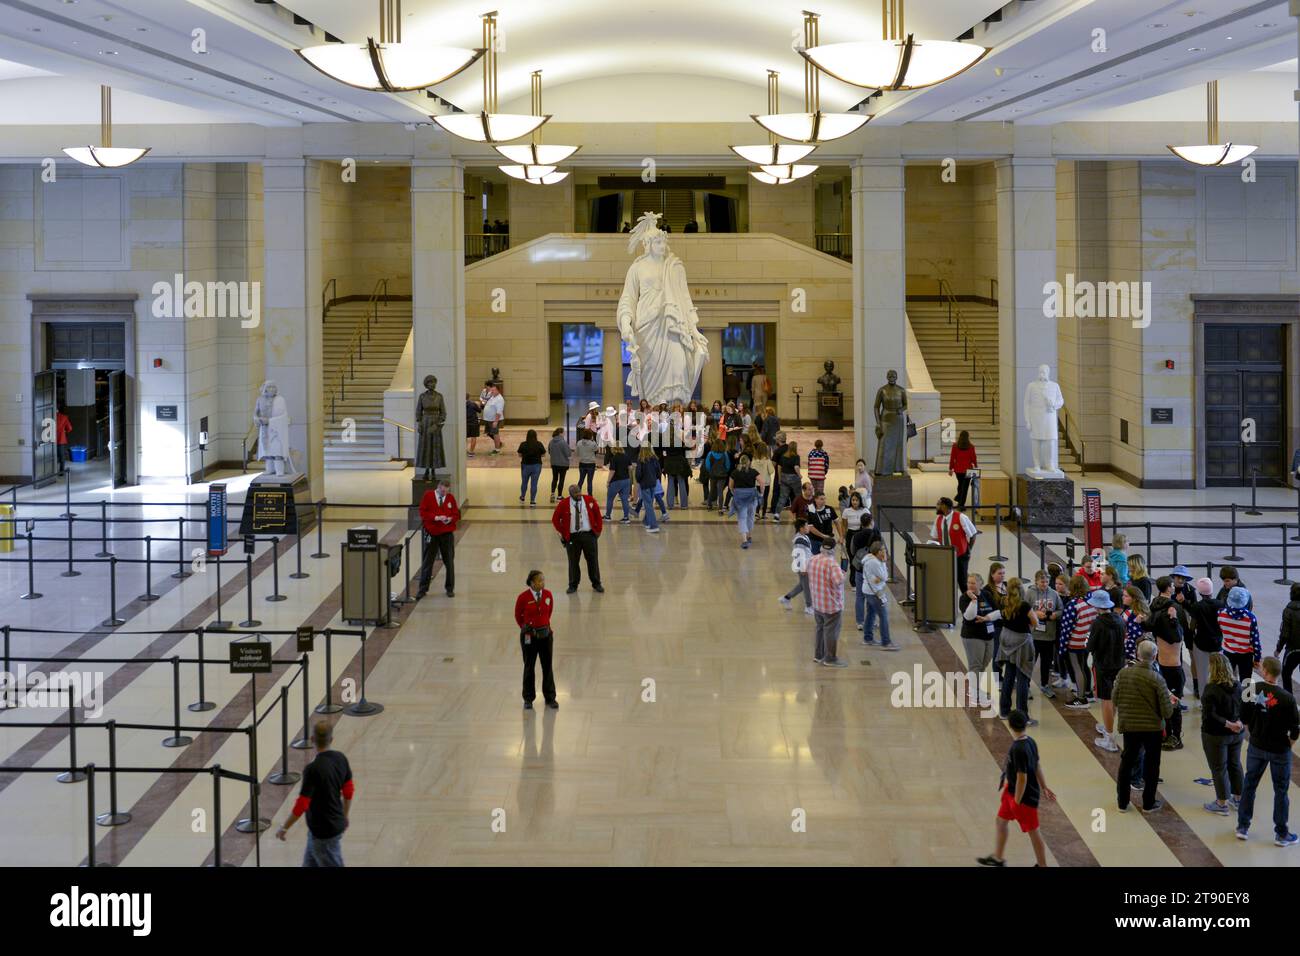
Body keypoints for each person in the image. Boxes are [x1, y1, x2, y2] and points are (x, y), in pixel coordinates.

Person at [976, 709, 1054, 868]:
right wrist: (1044, 786)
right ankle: (998, 858)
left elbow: (1022, 777)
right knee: (1000, 821)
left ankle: (1043, 865)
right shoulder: (1030, 741)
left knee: (1034, 832)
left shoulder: (1019, 748)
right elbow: (1037, 765)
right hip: (1010, 792)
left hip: (1023, 798)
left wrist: (1017, 801)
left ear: (1010, 725)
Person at [1236, 656, 1300, 845]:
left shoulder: (1252, 689)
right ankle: (1281, 834)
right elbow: (1296, 729)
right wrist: (1289, 744)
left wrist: (1254, 733)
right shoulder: (1288, 698)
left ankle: (1242, 826)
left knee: (1250, 785)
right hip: (1280, 749)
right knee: (1281, 791)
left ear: (1264, 671)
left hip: (1256, 746)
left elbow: (1244, 717)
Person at [276, 720, 354, 866]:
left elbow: (302, 805)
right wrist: (345, 816)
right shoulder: (340, 758)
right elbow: (348, 791)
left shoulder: (312, 769)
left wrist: (284, 827)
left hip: (324, 833)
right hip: (324, 828)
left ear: (312, 740)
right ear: (331, 740)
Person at [1114, 641, 1175, 814]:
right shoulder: (1157, 679)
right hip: (1152, 729)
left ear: (1137, 654)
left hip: (1130, 726)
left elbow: (1115, 698)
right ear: (1155, 656)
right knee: (1152, 765)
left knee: (1127, 762)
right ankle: (1148, 803)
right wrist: (1171, 704)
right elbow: (1166, 711)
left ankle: (1122, 803)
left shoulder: (1123, 673)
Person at [1200, 652, 1244, 816]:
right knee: (1235, 764)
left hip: (1216, 735)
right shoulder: (1238, 685)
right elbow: (1243, 707)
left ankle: (1222, 803)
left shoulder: (1211, 689)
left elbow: (1210, 715)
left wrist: (1228, 724)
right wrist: (1238, 722)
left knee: (1219, 768)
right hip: (1237, 734)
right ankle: (1238, 798)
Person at [1149, 575, 1189, 750]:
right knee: (1175, 703)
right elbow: (1177, 636)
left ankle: (1165, 732)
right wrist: (1174, 621)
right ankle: (1175, 736)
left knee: (1162, 700)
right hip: (1173, 666)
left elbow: (1148, 625)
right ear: (1169, 588)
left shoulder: (1154, 606)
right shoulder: (1173, 610)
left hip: (1160, 662)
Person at [1087, 589, 1126, 753]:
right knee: (1114, 697)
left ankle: (1109, 737)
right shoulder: (1119, 619)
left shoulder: (1098, 623)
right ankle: (1108, 725)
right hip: (1118, 663)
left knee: (1106, 700)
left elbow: (1091, 646)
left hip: (1103, 665)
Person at [514, 570, 558, 710]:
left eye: (543, 580)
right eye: (539, 581)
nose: (542, 583)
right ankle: (528, 698)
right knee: (529, 667)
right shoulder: (523, 597)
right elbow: (517, 615)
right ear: (532, 583)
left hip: (546, 636)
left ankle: (550, 698)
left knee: (547, 666)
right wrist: (525, 627)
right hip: (529, 638)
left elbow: (549, 611)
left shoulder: (548, 595)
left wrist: (543, 624)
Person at [997, 578, 1039, 722]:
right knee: (1023, 677)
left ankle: (1004, 710)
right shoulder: (1025, 605)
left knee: (1009, 675)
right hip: (1022, 642)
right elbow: (1035, 622)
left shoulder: (1003, 601)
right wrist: (1030, 629)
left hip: (1007, 639)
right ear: (1022, 589)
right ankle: (1022, 715)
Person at [551, 484, 603, 594]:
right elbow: (555, 519)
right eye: (575, 493)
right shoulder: (564, 504)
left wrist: (597, 531)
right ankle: (573, 584)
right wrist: (564, 532)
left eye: (579, 492)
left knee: (593, 560)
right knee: (573, 562)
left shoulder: (589, 500)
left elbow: (598, 515)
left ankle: (596, 583)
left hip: (589, 535)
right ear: (570, 494)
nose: (579, 494)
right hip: (572, 537)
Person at [415, 478, 459, 599]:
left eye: (447, 492)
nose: (445, 494)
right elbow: (423, 512)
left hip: (446, 534)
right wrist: (436, 517)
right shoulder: (428, 496)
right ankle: (423, 589)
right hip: (432, 533)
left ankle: (449, 588)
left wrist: (450, 519)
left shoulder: (450, 498)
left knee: (449, 562)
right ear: (439, 487)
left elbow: (456, 513)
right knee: (427, 562)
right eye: (443, 491)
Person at [1058, 575, 1097, 708]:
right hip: (1087, 639)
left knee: (1077, 668)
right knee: (1084, 666)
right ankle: (1088, 693)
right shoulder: (1091, 600)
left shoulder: (1073, 605)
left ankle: (1081, 699)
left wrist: (1062, 647)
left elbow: (1066, 628)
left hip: (1075, 642)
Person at [960, 573, 997, 709]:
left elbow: (997, 611)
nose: (970, 585)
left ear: (980, 584)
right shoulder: (964, 598)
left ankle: (974, 688)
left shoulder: (987, 594)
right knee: (975, 665)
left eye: (973, 583)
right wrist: (974, 601)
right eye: (969, 583)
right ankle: (975, 695)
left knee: (984, 663)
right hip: (972, 636)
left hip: (988, 635)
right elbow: (969, 617)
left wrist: (987, 618)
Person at [1026, 570, 1063, 699]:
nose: (1045, 584)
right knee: (1030, 662)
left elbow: (1060, 609)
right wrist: (1035, 614)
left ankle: (1045, 685)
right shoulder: (1030, 593)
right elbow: (1024, 610)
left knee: (1046, 663)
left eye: (1047, 581)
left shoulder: (1053, 594)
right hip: (1034, 635)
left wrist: (1054, 615)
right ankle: (1026, 686)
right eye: (1042, 581)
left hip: (1049, 634)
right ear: (1036, 581)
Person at [808, 545, 847, 667]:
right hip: (831, 605)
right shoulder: (832, 564)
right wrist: (843, 572)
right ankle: (830, 658)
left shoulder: (812, 559)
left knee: (820, 628)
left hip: (817, 602)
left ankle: (818, 655)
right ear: (833, 550)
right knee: (831, 631)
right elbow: (838, 581)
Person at [931, 497, 977, 594]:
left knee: (962, 582)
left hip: (960, 555)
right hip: (945, 556)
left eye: (938, 504)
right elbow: (934, 537)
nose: (937, 506)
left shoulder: (961, 517)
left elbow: (973, 534)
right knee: (948, 582)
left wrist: (968, 550)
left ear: (944, 506)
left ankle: (967, 604)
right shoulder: (938, 519)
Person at [1188, 577, 1223, 699]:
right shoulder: (1220, 604)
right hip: (1217, 643)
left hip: (1201, 643)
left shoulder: (1197, 606)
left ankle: (1204, 700)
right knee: (1218, 672)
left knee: (1202, 674)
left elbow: (1192, 626)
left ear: (1199, 592)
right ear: (1211, 591)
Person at [1219, 586, 1261, 684]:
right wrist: (1257, 657)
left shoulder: (1221, 614)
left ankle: (1230, 698)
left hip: (1228, 651)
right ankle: (1247, 698)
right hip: (1246, 654)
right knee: (1246, 681)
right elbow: (1255, 640)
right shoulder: (1250, 618)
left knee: (1227, 679)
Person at [860, 540, 896, 650]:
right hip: (875, 592)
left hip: (868, 590)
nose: (885, 551)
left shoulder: (870, 558)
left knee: (871, 614)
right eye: (883, 550)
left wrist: (879, 578)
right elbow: (885, 577)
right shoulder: (875, 562)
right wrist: (884, 562)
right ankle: (886, 642)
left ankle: (868, 638)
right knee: (883, 616)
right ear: (878, 551)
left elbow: (880, 577)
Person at [779, 518, 813, 615]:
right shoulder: (799, 540)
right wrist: (803, 568)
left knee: (803, 585)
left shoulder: (804, 537)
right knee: (807, 586)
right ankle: (808, 606)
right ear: (801, 528)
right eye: (806, 526)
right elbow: (799, 554)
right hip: (803, 566)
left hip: (806, 565)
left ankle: (786, 598)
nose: (808, 527)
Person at [729, 453, 762, 549]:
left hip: (740, 497)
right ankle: (749, 536)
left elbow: (730, 485)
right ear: (749, 462)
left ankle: (744, 541)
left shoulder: (735, 472)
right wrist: (762, 493)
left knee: (742, 518)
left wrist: (733, 492)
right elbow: (762, 482)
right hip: (752, 496)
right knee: (751, 516)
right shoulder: (753, 471)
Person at [632, 445, 663, 533]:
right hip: (653, 483)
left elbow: (638, 474)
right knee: (650, 503)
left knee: (648, 505)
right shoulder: (654, 458)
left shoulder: (641, 460)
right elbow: (658, 472)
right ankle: (647, 522)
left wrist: (639, 481)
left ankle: (654, 526)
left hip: (645, 484)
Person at [1277, 583, 1300, 693]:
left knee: (1286, 674)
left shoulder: (1288, 610)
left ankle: (1289, 698)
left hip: (1292, 649)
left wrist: (1278, 649)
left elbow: (1285, 634)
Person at [948, 431, 978, 510]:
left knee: (960, 485)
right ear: (968, 437)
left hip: (958, 470)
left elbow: (952, 458)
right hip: (968, 470)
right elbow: (973, 458)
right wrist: (976, 466)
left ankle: (959, 500)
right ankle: (961, 504)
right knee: (965, 488)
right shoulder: (971, 447)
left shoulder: (955, 446)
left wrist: (951, 468)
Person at [663, 425, 691, 509]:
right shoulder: (679, 439)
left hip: (669, 462)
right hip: (679, 462)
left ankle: (670, 505)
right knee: (681, 482)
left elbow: (664, 452)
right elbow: (684, 448)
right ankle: (684, 505)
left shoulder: (666, 441)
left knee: (670, 483)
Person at [773, 440, 801, 523]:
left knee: (782, 497)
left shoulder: (783, 456)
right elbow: (796, 467)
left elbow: (779, 467)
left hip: (784, 477)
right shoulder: (796, 457)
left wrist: (779, 478)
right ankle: (798, 514)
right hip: (794, 478)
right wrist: (799, 475)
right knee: (798, 496)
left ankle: (777, 515)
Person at [603, 444, 633, 523]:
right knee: (624, 500)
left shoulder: (614, 458)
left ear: (614, 449)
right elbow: (630, 468)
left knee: (610, 499)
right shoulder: (626, 456)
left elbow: (612, 471)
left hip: (616, 481)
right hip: (626, 480)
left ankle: (608, 516)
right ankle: (626, 518)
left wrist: (608, 481)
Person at [517, 429, 546, 506]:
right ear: (535, 436)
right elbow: (543, 454)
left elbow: (519, 454)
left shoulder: (523, 444)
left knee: (524, 482)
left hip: (525, 465)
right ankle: (532, 501)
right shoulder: (539, 444)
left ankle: (522, 497)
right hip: (537, 466)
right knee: (534, 484)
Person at [806, 492, 837, 557]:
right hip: (814, 540)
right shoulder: (810, 510)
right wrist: (823, 536)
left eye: (824, 499)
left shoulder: (830, 509)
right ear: (816, 499)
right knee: (815, 559)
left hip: (828, 540)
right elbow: (811, 527)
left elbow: (837, 522)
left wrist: (841, 536)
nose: (824, 501)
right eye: (821, 499)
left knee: (828, 559)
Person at [703, 438, 730, 511]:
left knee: (712, 490)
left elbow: (707, 465)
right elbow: (727, 465)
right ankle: (720, 508)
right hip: (722, 475)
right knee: (720, 491)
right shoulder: (724, 454)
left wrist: (710, 471)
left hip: (713, 475)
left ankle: (709, 505)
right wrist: (725, 471)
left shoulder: (710, 453)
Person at [547, 427, 571, 503]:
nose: (564, 434)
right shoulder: (563, 442)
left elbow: (549, 451)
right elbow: (568, 454)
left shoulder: (551, 442)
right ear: (560, 433)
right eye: (563, 432)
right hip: (563, 464)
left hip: (554, 463)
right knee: (561, 479)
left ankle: (552, 494)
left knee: (554, 479)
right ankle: (559, 496)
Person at [481, 384, 505, 454]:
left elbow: (499, 412)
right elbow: (487, 404)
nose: (491, 391)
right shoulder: (492, 396)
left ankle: (497, 449)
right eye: (491, 390)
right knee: (489, 433)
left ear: (498, 390)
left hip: (494, 420)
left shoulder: (500, 399)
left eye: (493, 390)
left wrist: (496, 421)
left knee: (495, 434)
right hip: (489, 419)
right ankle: (499, 443)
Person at [575, 428, 598, 496]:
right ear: (591, 435)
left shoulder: (579, 442)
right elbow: (596, 449)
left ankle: (577, 494)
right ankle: (590, 495)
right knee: (589, 481)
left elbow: (577, 453)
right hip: (591, 464)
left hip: (582, 463)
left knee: (581, 480)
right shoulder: (592, 443)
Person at [55, 406, 73, 474]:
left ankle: (51, 472)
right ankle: (61, 471)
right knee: (61, 456)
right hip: (60, 439)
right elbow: (69, 428)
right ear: (58, 410)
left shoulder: (49, 417)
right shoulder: (64, 417)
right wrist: (64, 431)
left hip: (50, 440)